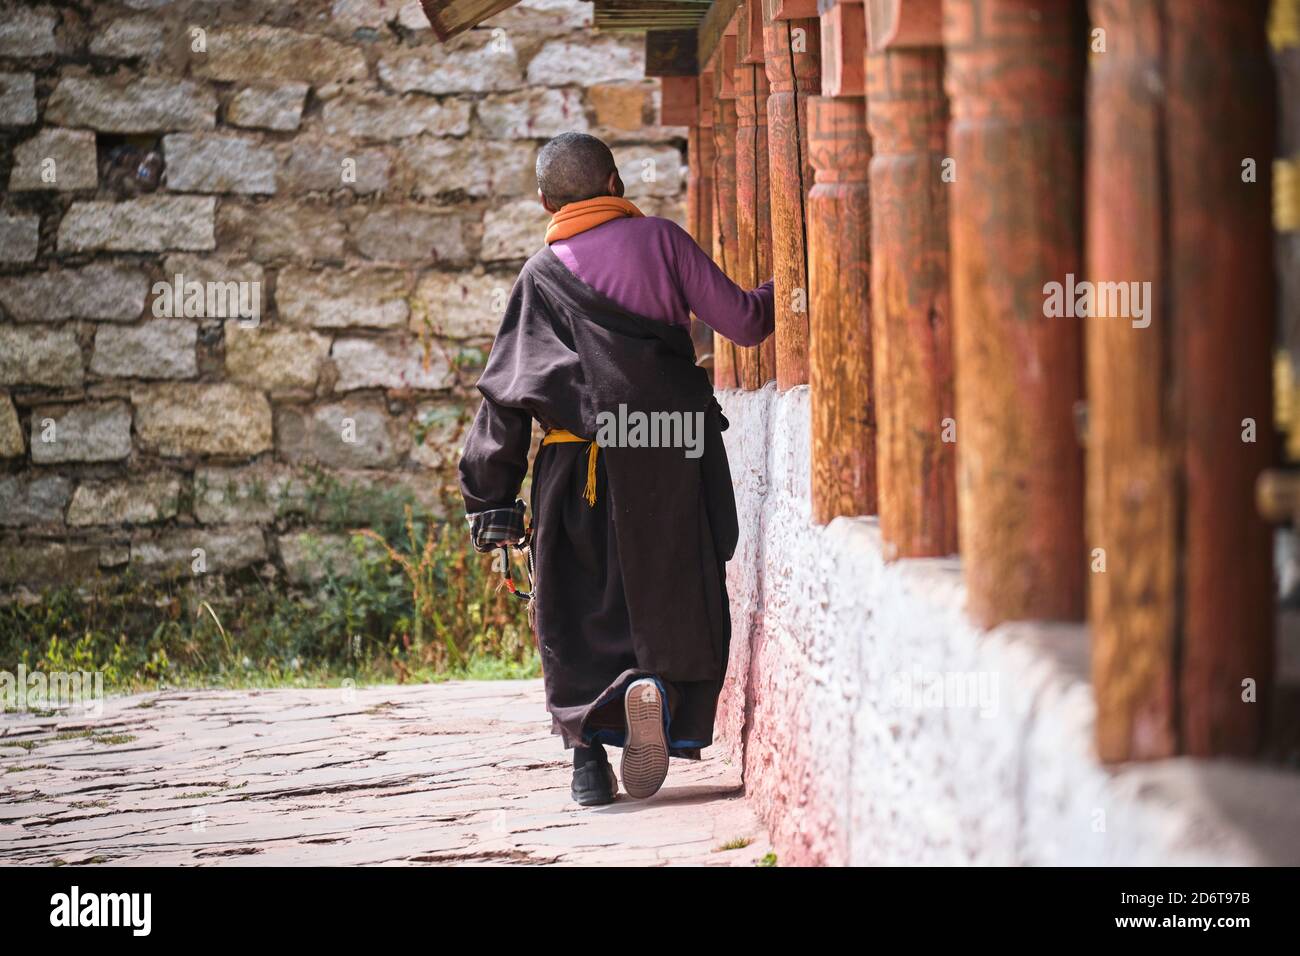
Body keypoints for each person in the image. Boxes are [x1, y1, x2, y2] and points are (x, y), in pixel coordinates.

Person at [458, 131, 774, 806]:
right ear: (617, 184)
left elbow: (508, 393)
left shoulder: (538, 278)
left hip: (576, 467)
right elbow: (744, 323)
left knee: (575, 607)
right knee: (669, 593)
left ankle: (587, 766)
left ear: (545, 200)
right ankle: (651, 692)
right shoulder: (661, 242)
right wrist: (801, 281)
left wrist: (491, 497)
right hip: (670, 456)